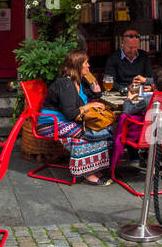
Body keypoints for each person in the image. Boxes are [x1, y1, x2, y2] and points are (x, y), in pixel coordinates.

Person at [37, 49, 113, 185]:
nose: (89, 66)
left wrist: (94, 84)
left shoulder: (78, 82)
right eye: (86, 63)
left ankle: (94, 169)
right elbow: (71, 113)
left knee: (97, 130)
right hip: (51, 125)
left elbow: (93, 96)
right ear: (78, 66)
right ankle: (88, 173)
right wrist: (89, 106)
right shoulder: (65, 84)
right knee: (89, 133)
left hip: (66, 122)